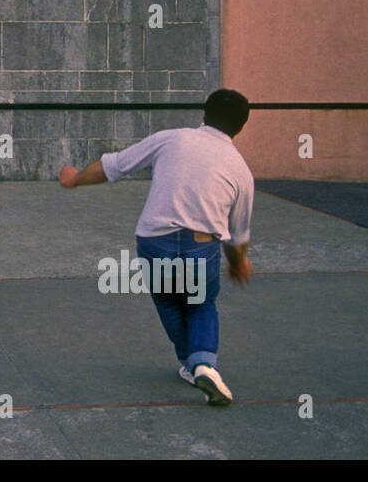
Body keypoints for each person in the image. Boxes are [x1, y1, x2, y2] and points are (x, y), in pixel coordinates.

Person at [59, 89, 254, 405]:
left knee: (168, 303)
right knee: (201, 304)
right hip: (201, 245)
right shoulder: (240, 169)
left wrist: (74, 179)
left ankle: (192, 365)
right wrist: (238, 263)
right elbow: (238, 234)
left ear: (203, 115)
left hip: (155, 240)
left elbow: (114, 166)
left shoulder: (172, 139)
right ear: (241, 127)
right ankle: (204, 365)